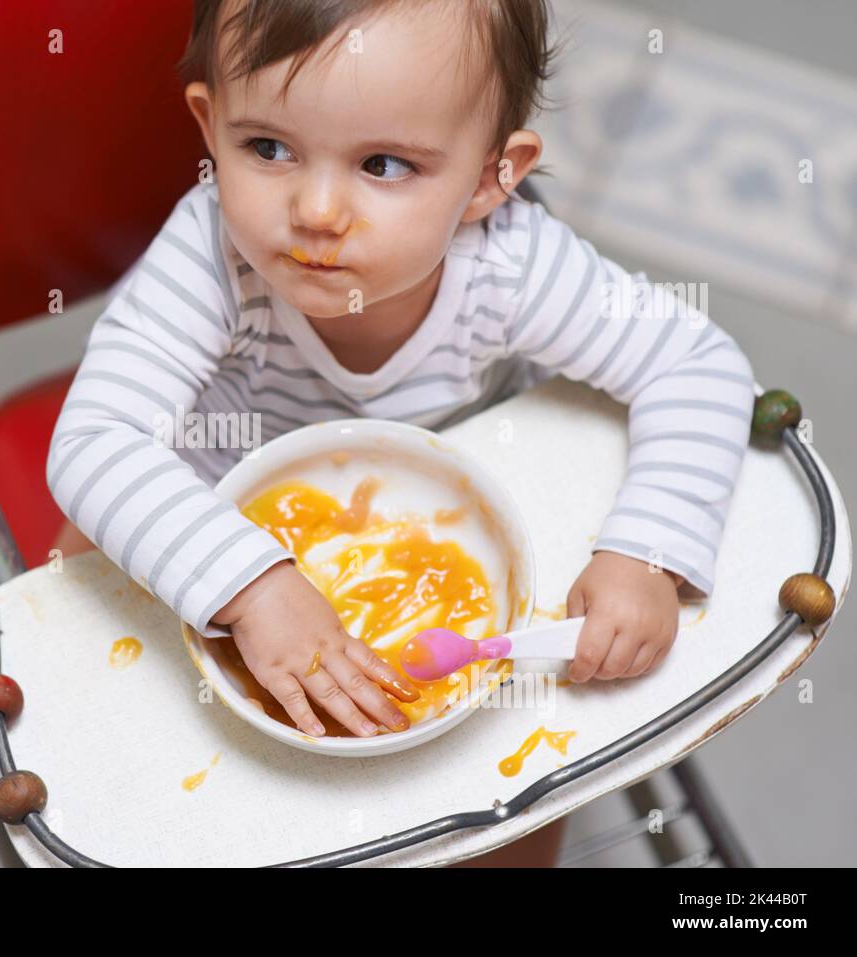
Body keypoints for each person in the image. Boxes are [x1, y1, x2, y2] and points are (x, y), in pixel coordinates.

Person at [47, 0, 754, 866]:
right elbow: (93, 442)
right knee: (101, 685)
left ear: (492, 178)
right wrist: (251, 586)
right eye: (267, 147)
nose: (315, 210)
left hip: (463, 557)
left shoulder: (510, 266)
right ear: (209, 124)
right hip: (208, 529)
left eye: (383, 164)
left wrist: (646, 552)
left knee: (514, 808)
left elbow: (696, 363)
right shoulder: (209, 256)